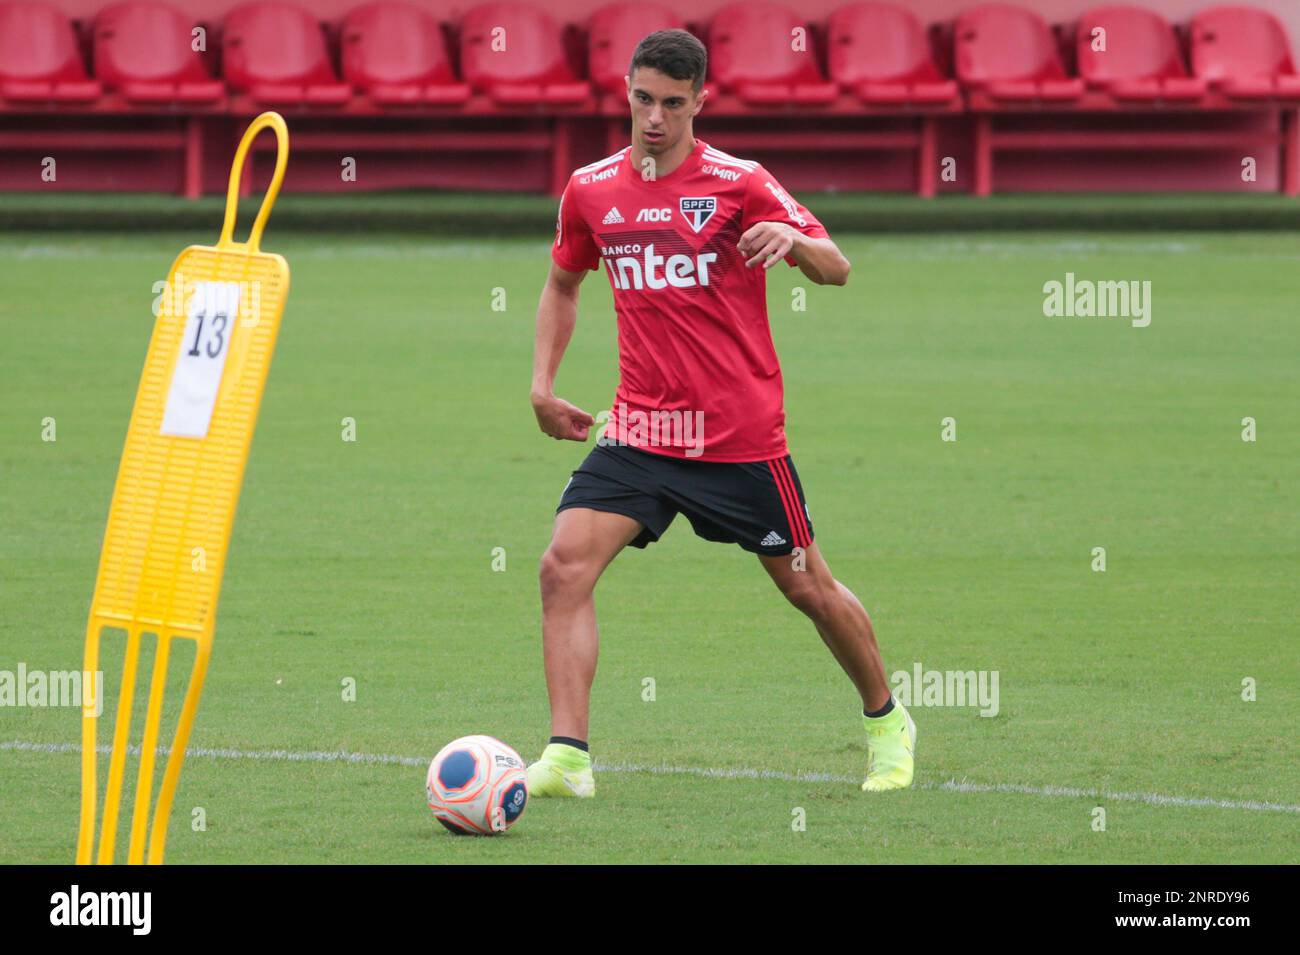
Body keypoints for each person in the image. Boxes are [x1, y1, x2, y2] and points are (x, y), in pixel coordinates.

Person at [527, 29, 914, 798]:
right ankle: (569, 756)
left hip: (738, 438)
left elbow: (837, 266)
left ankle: (888, 721)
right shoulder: (592, 187)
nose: (655, 119)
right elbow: (563, 283)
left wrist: (794, 239)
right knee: (562, 566)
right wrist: (542, 386)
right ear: (627, 92)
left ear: (701, 100)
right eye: (643, 100)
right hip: (641, 429)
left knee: (807, 587)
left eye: (674, 104)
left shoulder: (742, 182)